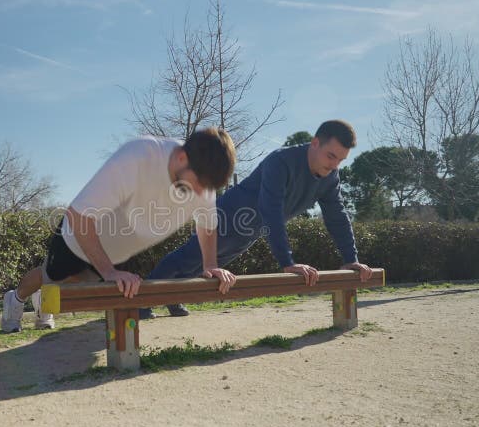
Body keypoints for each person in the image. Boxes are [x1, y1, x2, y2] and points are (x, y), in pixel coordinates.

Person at [1, 128, 238, 333]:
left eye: (206, 188)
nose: (200, 194)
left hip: (114, 251)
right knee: (50, 277)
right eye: (197, 185)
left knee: (72, 286)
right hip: (77, 235)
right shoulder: (138, 156)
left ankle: (44, 302)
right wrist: (110, 272)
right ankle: (16, 299)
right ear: (182, 158)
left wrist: (210, 266)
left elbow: (207, 223)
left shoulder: (203, 177)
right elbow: (79, 216)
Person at [140, 119, 373, 319]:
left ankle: (173, 296)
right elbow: (271, 208)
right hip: (229, 216)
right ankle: (142, 301)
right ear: (314, 143)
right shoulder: (280, 161)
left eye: (340, 161)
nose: (333, 165)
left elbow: (337, 216)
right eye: (330, 156)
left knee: (206, 265)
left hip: (253, 229)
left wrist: (351, 258)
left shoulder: (330, 177)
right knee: (188, 257)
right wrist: (287, 262)